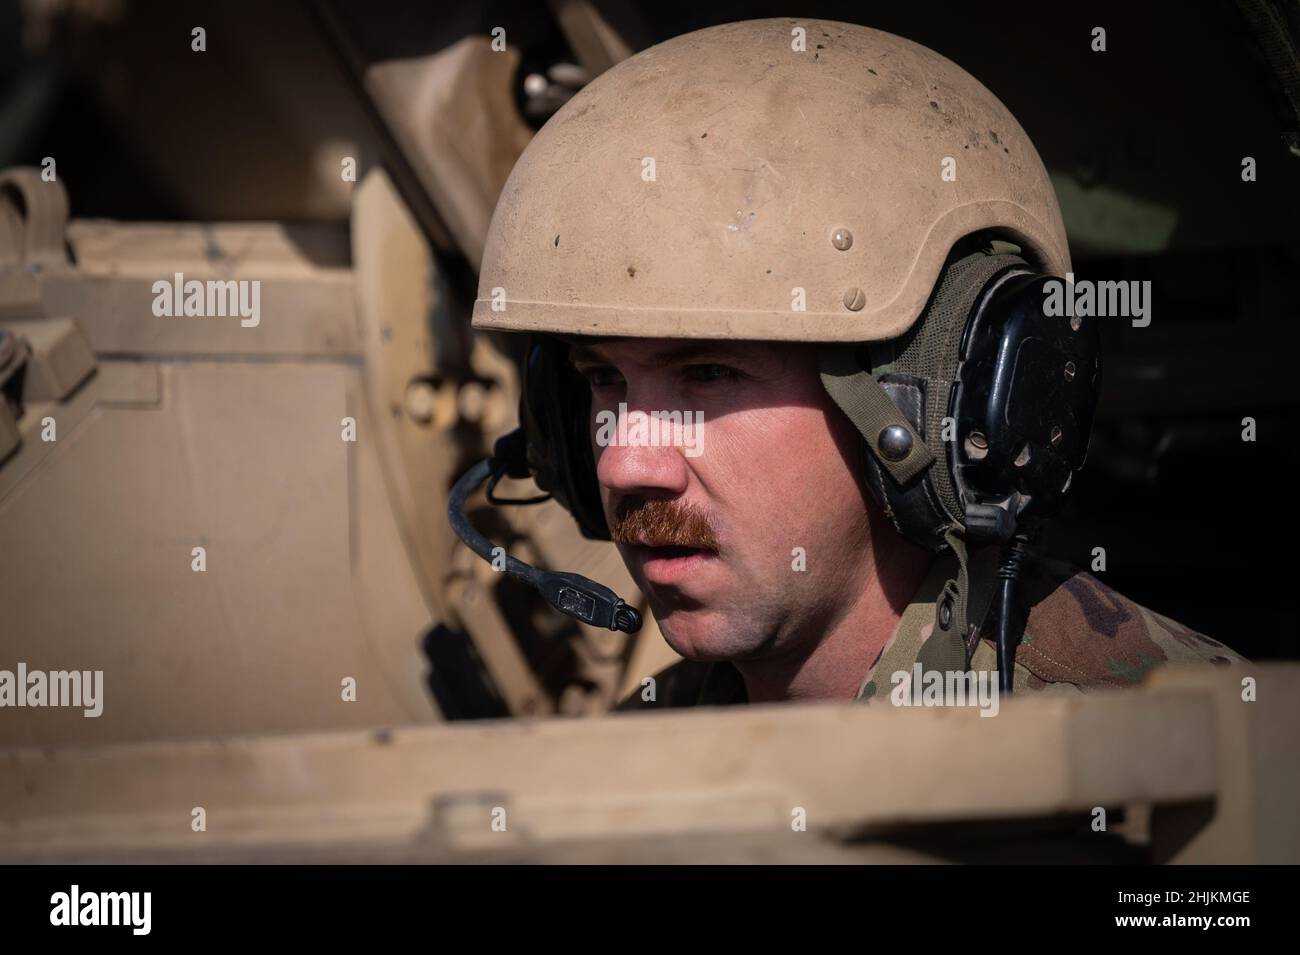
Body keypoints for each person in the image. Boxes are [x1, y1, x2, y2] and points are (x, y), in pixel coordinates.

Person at [468, 18, 1244, 709]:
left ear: (939, 399)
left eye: (708, 375)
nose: (624, 462)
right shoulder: (650, 750)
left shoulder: (1165, 755)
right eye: (602, 378)